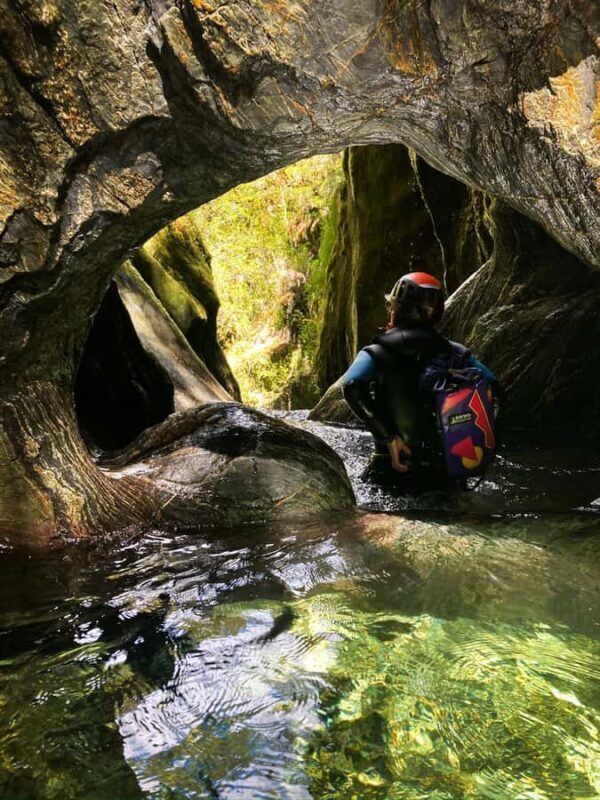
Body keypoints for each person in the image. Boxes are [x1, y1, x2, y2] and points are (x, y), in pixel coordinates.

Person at [340, 271, 498, 492]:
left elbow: (351, 385)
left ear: (396, 310)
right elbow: (492, 384)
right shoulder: (457, 353)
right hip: (445, 474)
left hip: (393, 468)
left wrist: (388, 437)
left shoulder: (377, 352)